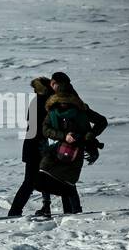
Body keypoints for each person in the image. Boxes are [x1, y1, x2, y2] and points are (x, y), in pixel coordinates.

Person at [37, 72, 107, 216]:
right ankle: (68, 210)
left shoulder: (79, 108)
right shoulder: (53, 108)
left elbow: (101, 121)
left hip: (74, 149)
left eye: (53, 83)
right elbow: (46, 129)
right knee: (52, 175)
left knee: (67, 180)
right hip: (58, 147)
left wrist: (89, 136)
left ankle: (72, 211)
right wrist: (64, 136)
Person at [7, 77, 55, 218]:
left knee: (36, 180)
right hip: (37, 146)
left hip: (33, 145)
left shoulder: (37, 102)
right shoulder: (45, 104)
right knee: (32, 181)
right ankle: (16, 210)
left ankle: (39, 207)